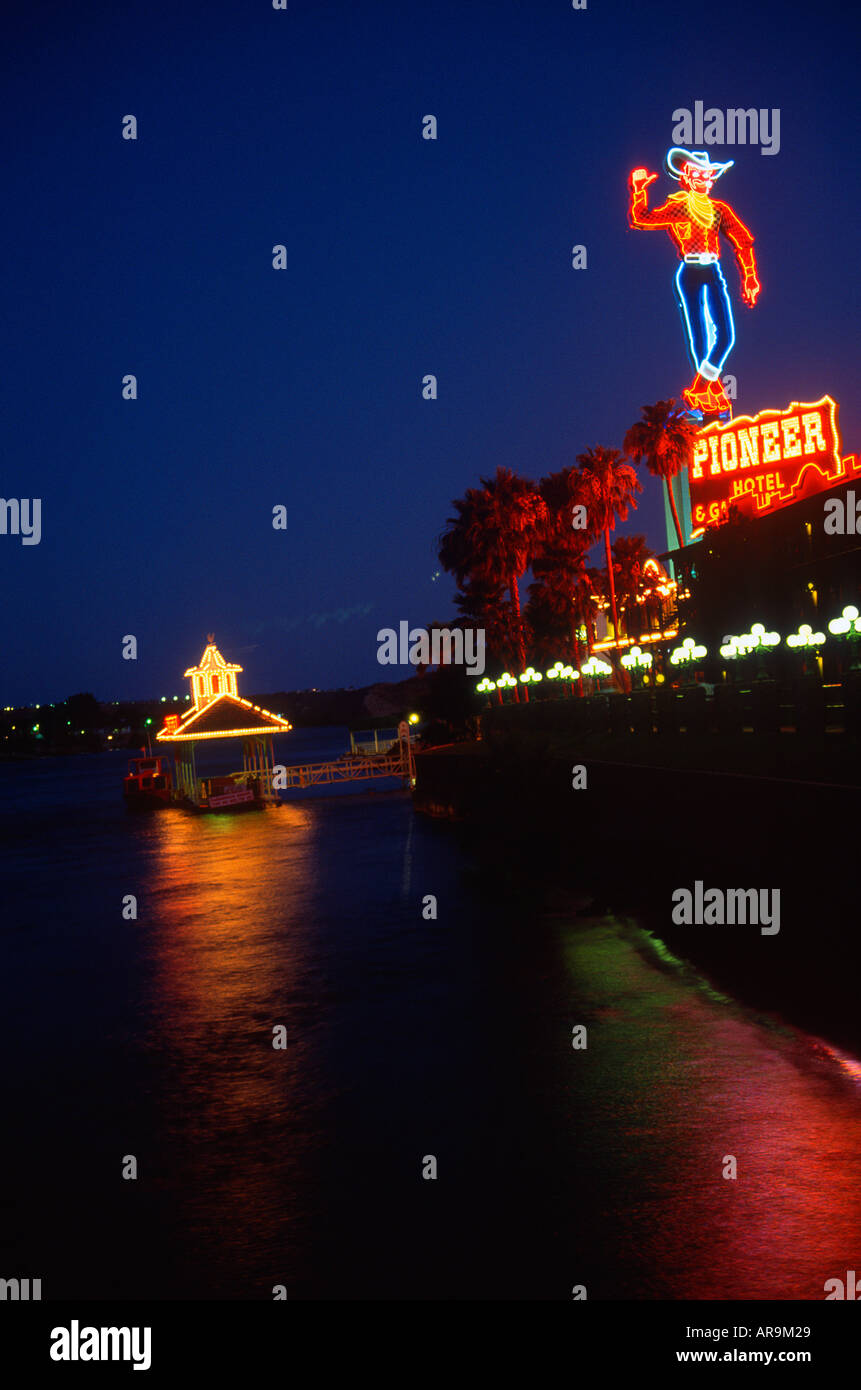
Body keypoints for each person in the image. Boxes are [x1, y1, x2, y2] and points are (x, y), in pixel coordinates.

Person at [628, 148, 760, 418]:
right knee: (698, 334)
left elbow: (743, 240)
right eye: (696, 173)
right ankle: (709, 397)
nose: (702, 178)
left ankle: (700, 387)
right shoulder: (680, 205)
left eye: (707, 174)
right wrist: (639, 190)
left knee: (725, 335)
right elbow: (642, 218)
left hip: (713, 269)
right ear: (687, 177)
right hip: (689, 271)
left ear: (712, 179)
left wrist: (750, 276)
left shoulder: (719, 209)